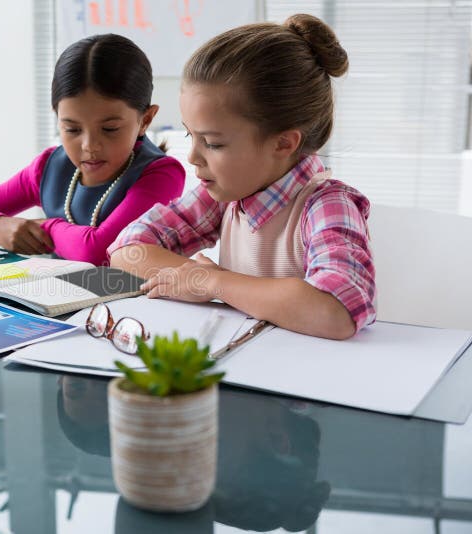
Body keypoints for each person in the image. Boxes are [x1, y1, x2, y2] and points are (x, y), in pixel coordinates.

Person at [109, 14, 375, 339]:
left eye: (213, 143)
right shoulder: (225, 193)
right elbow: (127, 251)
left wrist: (214, 282)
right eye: (190, 136)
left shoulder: (327, 205)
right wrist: (196, 278)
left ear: (283, 143)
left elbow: (336, 310)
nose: (193, 156)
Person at [0, 34, 185, 266]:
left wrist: (43, 227)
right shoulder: (48, 169)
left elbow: (99, 250)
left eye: (110, 129)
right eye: (72, 129)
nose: (89, 146)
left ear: (145, 119)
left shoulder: (163, 175)